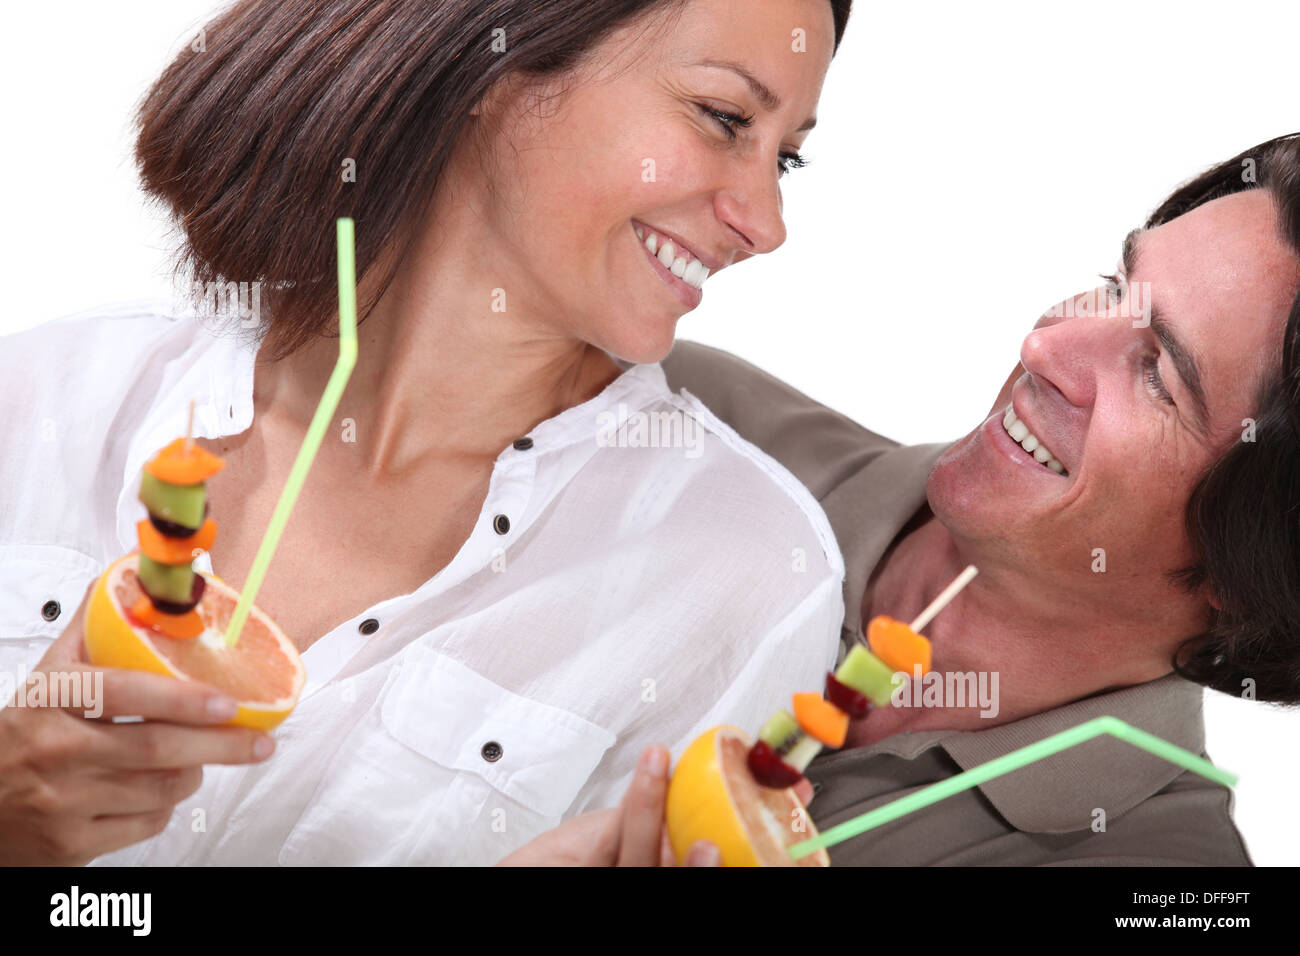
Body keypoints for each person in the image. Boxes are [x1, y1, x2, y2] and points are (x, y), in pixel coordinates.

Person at [0, 0, 858, 865]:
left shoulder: (744, 577)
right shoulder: (43, 398)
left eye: (785, 156)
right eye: (724, 119)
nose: (766, 221)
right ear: (500, 61)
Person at [503, 132, 1300, 866]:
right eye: (1114, 285)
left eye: (1157, 373)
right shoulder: (667, 416)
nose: (1046, 344)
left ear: (1258, 566)